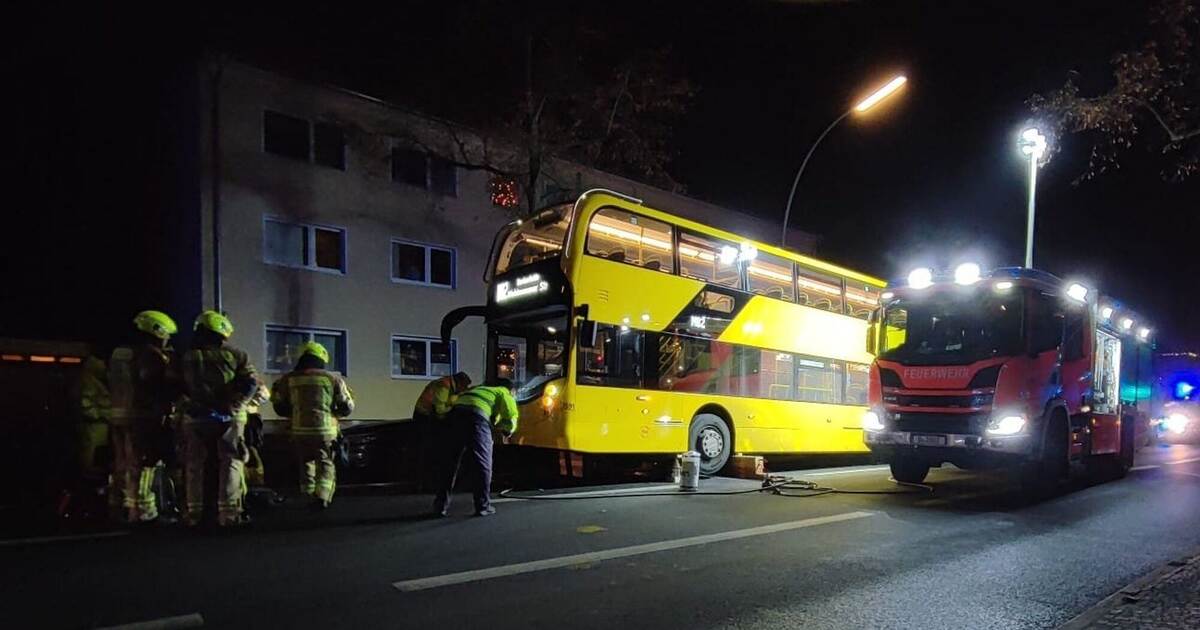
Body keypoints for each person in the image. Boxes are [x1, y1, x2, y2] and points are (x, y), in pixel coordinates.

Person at [179, 311, 258, 527]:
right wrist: (235, 405)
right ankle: (229, 514)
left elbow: (172, 385)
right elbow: (251, 383)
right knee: (231, 460)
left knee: (194, 463)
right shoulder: (236, 354)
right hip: (229, 418)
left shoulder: (183, 356)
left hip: (195, 417)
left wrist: (189, 406)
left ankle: (194, 513)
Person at [107, 310, 177, 523]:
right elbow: (156, 385)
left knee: (121, 463)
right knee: (144, 463)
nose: (167, 340)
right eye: (166, 336)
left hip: (117, 414)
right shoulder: (149, 355)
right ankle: (143, 511)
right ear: (157, 331)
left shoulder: (118, 353)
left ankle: (118, 506)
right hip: (142, 416)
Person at [271, 341, 354, 509]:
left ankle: (307, 495)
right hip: (325, 431)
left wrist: (295, 414)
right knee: (325, 463)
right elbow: (347, 406)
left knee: (305, 462)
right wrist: (336, 414)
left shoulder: (288, 379)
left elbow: (279, 405)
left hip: (299, 430)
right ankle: (322, 496)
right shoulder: (332, 379)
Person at [433, 378, 519, 517]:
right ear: (511, 389)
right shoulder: (503, 391)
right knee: (483, 463)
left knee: (450, 463)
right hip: (477, 418)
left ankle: (440, 506)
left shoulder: (477, 389)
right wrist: (508, 431)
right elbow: (510, 415)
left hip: (455, 416)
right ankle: (483, 506)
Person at [412, 372, 471, 489]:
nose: (463, 390)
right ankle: (422, 482)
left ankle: (425, 481)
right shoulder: (444, 386)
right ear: (459, 383)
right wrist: (454, 408)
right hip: (424, 416)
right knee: (427, 448)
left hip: (428, 415)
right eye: (463, 387)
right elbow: (440, 411)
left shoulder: (448, 385)